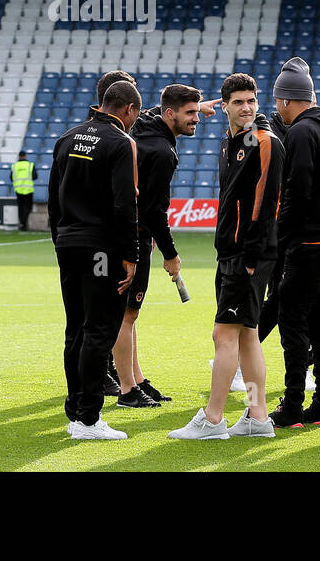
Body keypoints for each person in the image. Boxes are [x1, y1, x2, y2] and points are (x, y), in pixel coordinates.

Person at [170, 73, 282, 440]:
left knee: (224, 334)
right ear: (225, 107)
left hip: (248, 256)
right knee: (248, 334)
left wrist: (249, 256)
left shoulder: (265, 142)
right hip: (231, 253)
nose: (246, 107)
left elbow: (267, 205)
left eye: (251, 100)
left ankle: (213, 418)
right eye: (238, 102)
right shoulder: (228, 144)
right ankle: (257, 415)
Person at [48, 80, 142, 440]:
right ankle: (88, 419)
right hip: (101, 249)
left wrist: (60, 241)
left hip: (68, 244)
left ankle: (76, 411)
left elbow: (53, 199)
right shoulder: (122, 143)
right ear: (129, 110)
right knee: (99, 329)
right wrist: (131, 255)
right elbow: (124, 204)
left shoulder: (68, 137)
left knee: (76, 328)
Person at [266, 58, 320, 430]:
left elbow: (295, 191)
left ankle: (293, 406)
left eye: (278, 103)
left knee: (292, 320)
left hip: (309, 239)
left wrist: (279, 240)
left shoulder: (299, 133)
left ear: (286, 101)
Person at [113, 84, 196, 408]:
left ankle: (137, 381)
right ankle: (126, 390)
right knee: (126, 316)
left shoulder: (147, 125)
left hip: (127, 233)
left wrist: (198, 107)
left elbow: (154, 111)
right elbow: (154, 212)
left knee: (130, 314)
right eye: (189, 113)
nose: (196, 119)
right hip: (133, 236)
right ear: (170, 114)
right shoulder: (163, 153)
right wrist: (171, 255)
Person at [11, 150, 37, 231]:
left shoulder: (14, 166)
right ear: (25, 156)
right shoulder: (30, 165)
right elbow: (35, 176)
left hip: (18, 189)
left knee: (21, 208)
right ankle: (24, 223)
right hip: (28, 189)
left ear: (19, 156)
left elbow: (11, 178)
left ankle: (22, 224)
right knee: (28, 207)